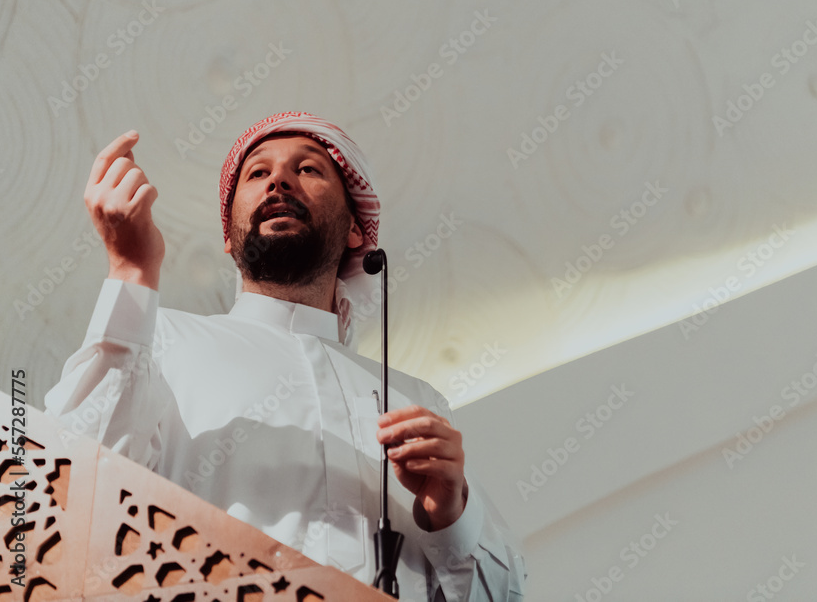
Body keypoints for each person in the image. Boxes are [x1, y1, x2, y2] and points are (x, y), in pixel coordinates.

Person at [44, 111, 525, 600]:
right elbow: (65, 491)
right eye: (257, 173)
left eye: (309, 169)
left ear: (358, 231)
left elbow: (506, 595)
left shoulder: (415, 398)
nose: (278, 180)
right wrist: (131, 271)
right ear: (229, 238)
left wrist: (450, 515)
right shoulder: (159, 337)